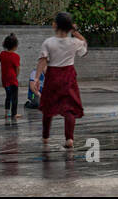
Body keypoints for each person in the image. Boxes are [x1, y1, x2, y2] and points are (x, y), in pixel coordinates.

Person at [36, 12, 87, 148]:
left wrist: (36, 78)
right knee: (69, 108)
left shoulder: (48, 42)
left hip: (52, 75)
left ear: (55, 25)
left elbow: (42, 60)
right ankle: (69, 138)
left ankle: (45, 137)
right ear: (70, 27)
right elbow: (85, 47)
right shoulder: (74, 42)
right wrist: (75, 32)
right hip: (68, 75)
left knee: (48, 107)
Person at [0, 33, 21, 123]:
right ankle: (14, 114)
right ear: (15, 46)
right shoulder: (16, 56)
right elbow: (18, 68)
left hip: (5, 79)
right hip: (13, 80)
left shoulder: (2, 54)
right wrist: (16, 76)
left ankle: (6, 113)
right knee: (14, 98)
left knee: (8, 96)